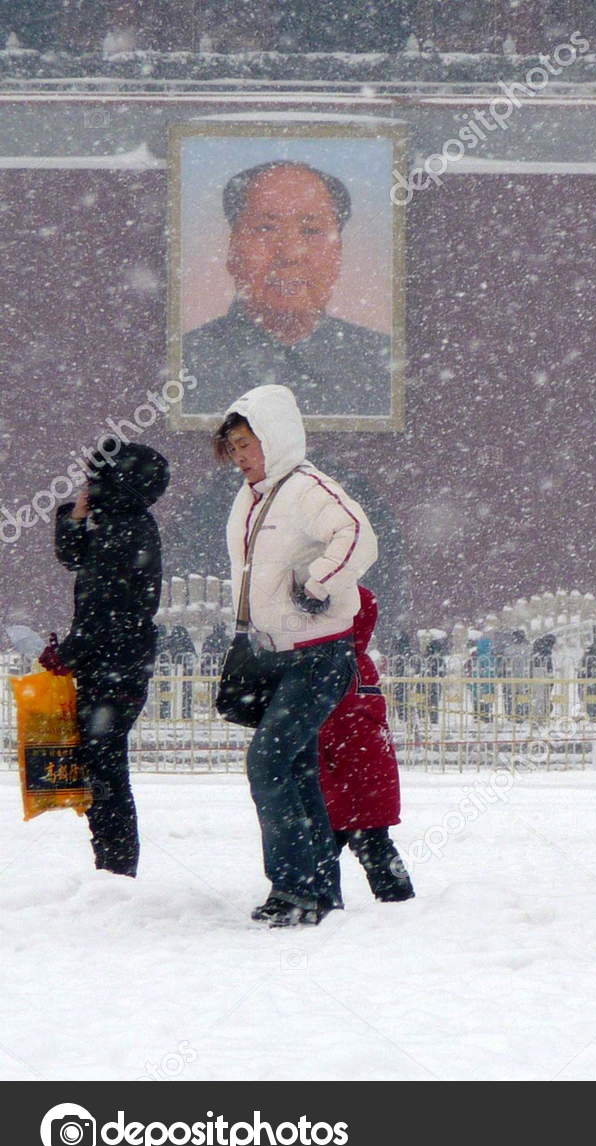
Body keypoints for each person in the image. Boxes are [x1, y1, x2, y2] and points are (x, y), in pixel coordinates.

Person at [218, 383, 377, 926]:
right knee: (297, 766)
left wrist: (318, 581)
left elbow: (356, 534)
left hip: (319, 654)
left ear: (275, 437)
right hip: (278, 654)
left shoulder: (308, 487)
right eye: (233, 447)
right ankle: (317, 891)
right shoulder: (253, 497)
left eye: (246, 443)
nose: (239, 457)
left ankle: (292, 887)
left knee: (267, 762)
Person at [43, 441, 168, 878]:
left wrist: (67, 654)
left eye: (94, 478)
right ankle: (113, 864)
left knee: (106, 768)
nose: (87, 487)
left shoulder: (124, 530)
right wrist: (74, 518)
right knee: (104, 763)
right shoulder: (122, 523)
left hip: (113, 664)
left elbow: (102, 606)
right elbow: (74, 558)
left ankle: (115, 867)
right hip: (118, 661)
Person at [184, 160, 392, 418]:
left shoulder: (384, 363)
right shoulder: (185, 366)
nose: (291, 253)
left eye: (311, 230)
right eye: (265, 228)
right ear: (232, 248)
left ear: (338, 253)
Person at [318, 586, 414, 901]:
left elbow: (331, 726)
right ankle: (398, 896)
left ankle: (316, 897)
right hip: (369, 778)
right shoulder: (360, 661)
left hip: (345, 778)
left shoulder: (330, 665)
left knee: (320, 848)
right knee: (374, 844)